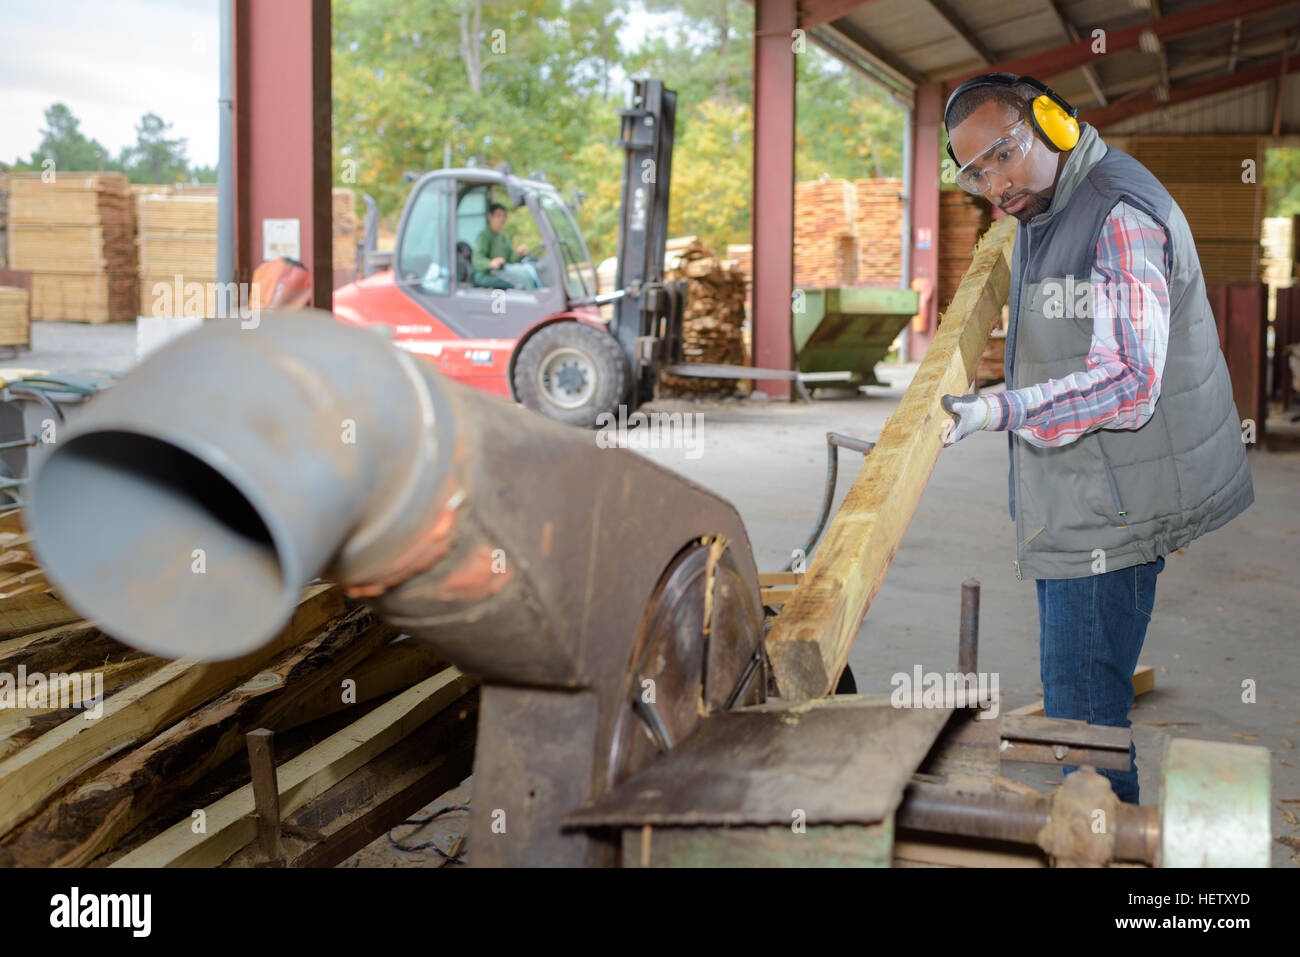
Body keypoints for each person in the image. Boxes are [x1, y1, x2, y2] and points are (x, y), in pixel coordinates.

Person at [939, 73, 1253, 804]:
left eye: (1004, 154)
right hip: (1078, 493)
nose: (994, 184)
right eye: (974, 172)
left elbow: (1128, 385)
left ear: (1052, 121)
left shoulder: (1118, 213)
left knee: (1083, 722)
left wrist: (998, 411)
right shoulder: (1046, 206)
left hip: (1109, 510)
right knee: (1079, 703)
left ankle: (1109, 845)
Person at [472, 202, 530, 289]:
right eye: (498, 215)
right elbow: (477, 259)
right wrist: (491, 263)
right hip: (485, 275)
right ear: (490, 217)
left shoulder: (503, 237)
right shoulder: (484, 236)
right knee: (518, 285)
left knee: (524, 276)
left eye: (504, 216)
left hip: (499, 273)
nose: (502, 219)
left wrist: (519, 253)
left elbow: (510, 259)